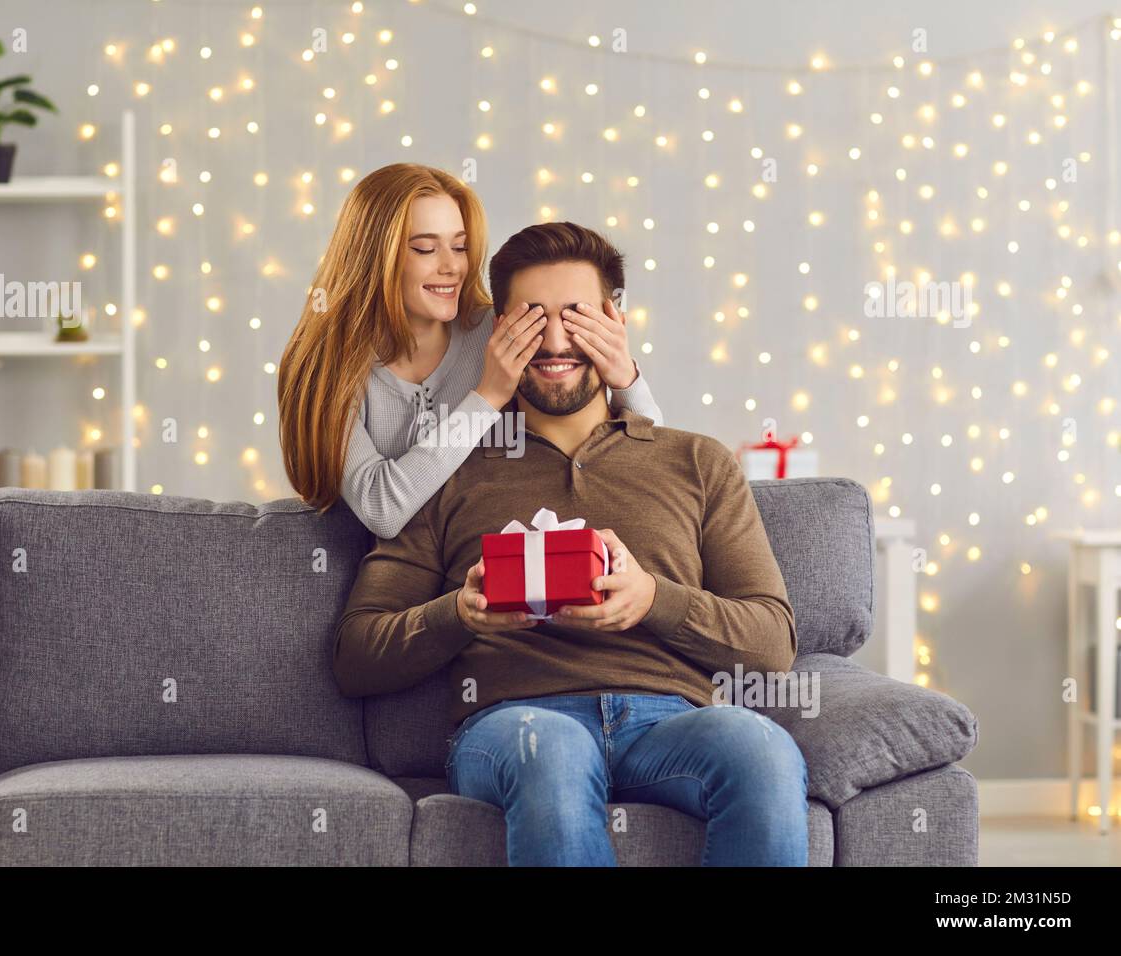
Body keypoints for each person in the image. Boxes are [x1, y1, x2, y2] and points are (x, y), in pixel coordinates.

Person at [332, 221, 808, 866]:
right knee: (552, 748)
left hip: (670, 721)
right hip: (513, 723)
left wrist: (653, 600)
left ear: (615, 319)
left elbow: (772, 644)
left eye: (577, 317)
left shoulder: (695, 461)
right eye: (531, 320)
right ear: (499, 330)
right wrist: (459, 614)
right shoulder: (450, 470)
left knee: (762, 748)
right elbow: (357, 654)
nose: (555, 342)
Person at [277, 163, 662, 540]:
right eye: (425, 248)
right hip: (381, 571)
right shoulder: (322, 366)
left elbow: (651, 463)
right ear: (374, 257)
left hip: (479, 546)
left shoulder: (493, 333)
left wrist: (625, 378)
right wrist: (488, 395)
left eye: (459, 247)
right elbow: (382, 510)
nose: (453, 267)